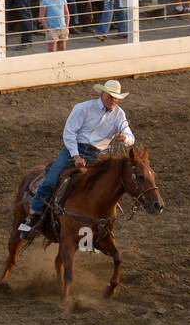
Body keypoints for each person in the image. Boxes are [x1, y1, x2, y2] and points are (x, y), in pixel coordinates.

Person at [20, 80, 136, 237]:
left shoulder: (119, 114)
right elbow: (69, 134)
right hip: (74, 149)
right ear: (102, 94)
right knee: (51, 180)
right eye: (110, 96)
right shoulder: (83, 108)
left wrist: (125, 138)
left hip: (98, 155)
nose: (113, 100)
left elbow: (130, 136)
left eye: (116, 98)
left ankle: (100, 224)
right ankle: (32, 217)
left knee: (106, 186)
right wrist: (76, 156)